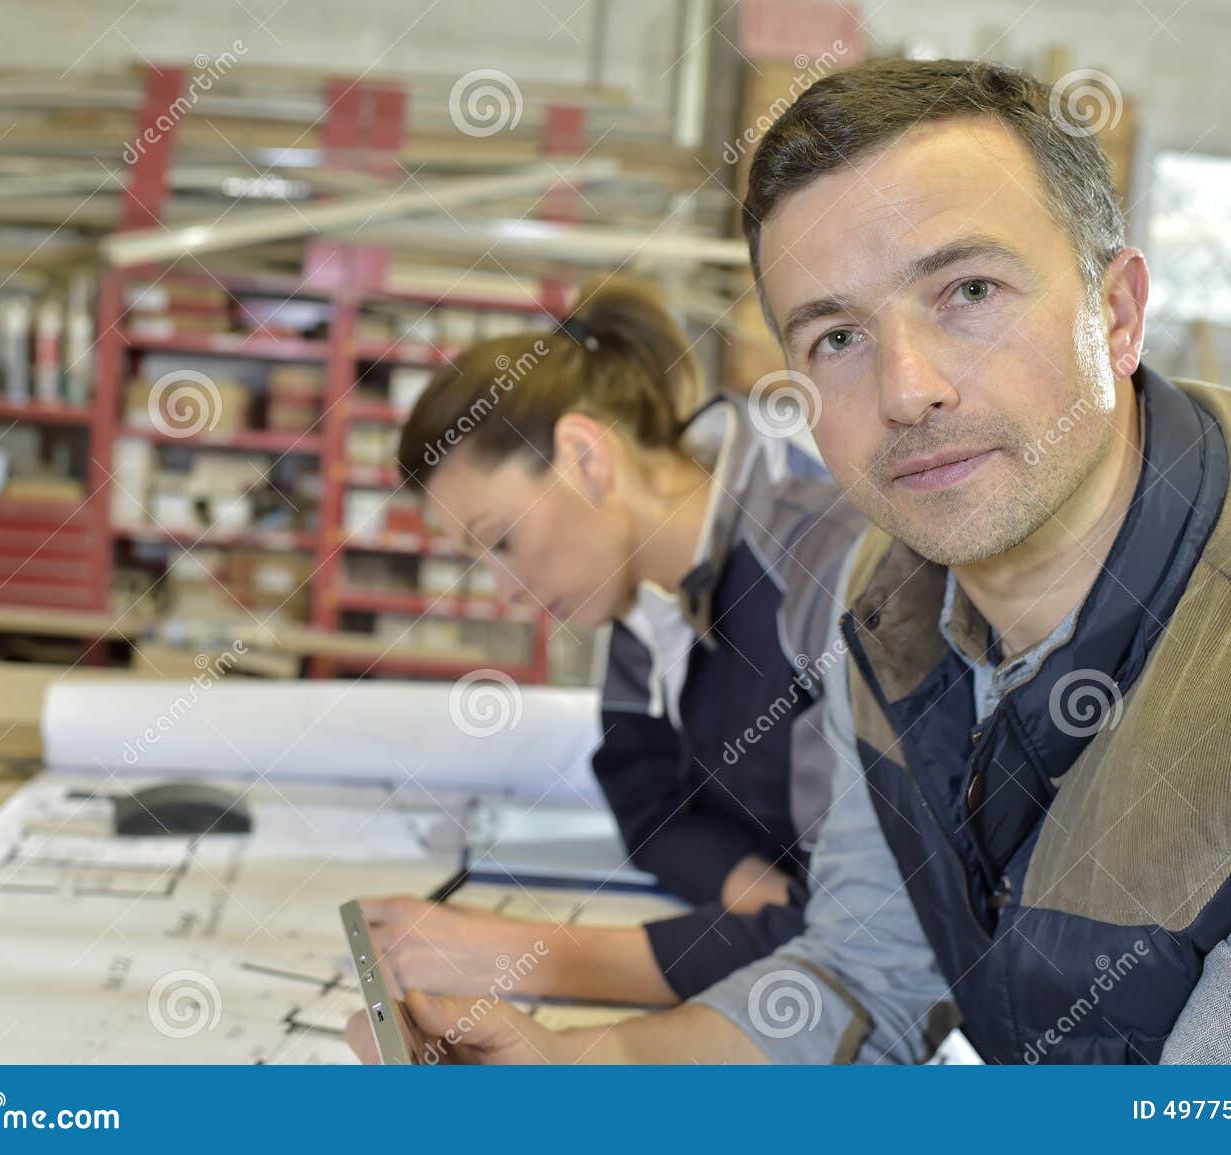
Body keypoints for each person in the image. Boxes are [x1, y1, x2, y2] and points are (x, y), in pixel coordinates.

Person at [349, 57, 1231, 1065]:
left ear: (1115, 313)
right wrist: (573, 1070)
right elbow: (865, 974)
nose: (906, 388)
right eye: (835, 336)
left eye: (967, 292)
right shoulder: (887, 605)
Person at [351, 276, 870, 1015]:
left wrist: (513, 955)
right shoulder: (644, 598)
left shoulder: (826, 566)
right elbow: (648, 799)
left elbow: (861, 941)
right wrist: (743, 883)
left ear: (587, 457)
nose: (503, 591)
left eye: (501, 540)